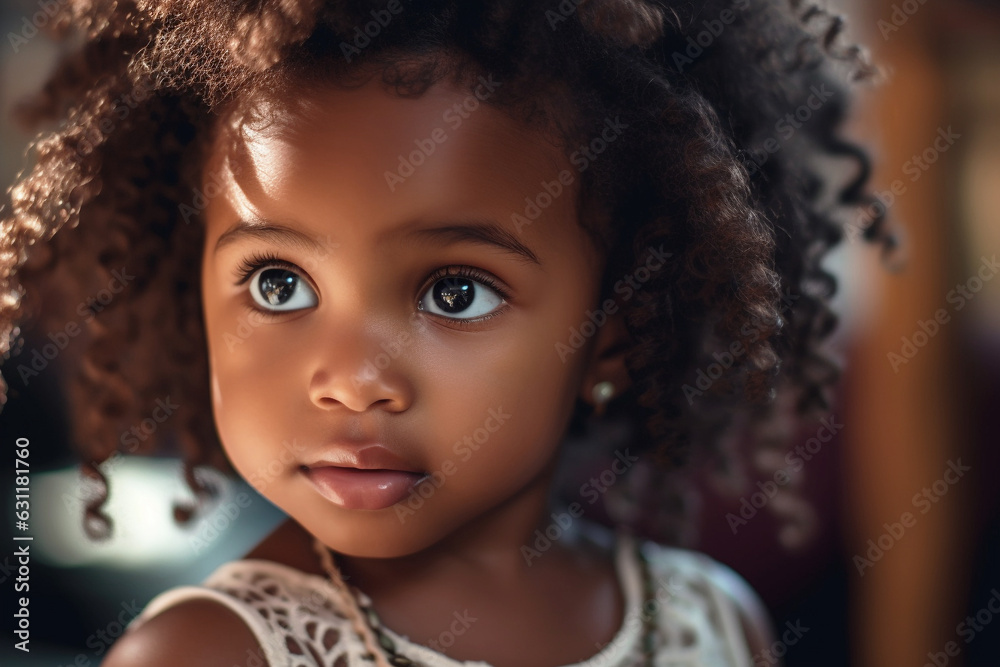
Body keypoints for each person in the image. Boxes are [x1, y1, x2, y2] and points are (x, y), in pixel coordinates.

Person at [0, 1, 896, 665]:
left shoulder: (711, 622)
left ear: (614, 332)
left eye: (455, 293)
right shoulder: (207, 653)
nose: (352, 377)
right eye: (279, 283)